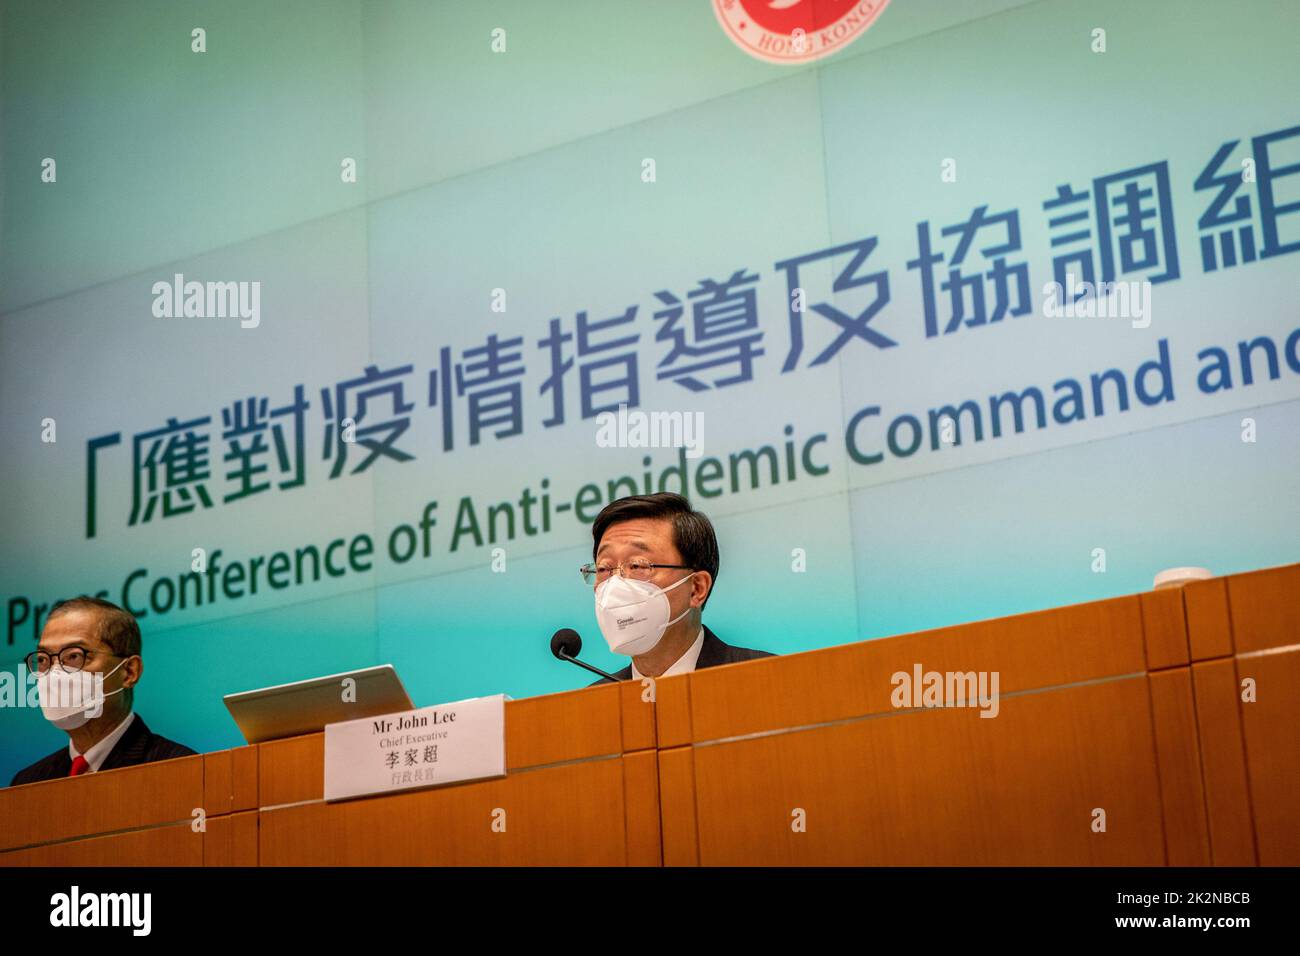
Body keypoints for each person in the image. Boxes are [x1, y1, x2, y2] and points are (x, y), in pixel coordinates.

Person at [582, 492, 773, 684]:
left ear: (696, 588)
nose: (616, 584)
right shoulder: (591, 705)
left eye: (638, 566)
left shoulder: (768, 678)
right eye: (604, 568)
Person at [8, 595, 197, 786]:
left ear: (129, 671)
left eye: (74, 656)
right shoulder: (28, 782)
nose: (54, 673)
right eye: (42, 659)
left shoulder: (179, 770)